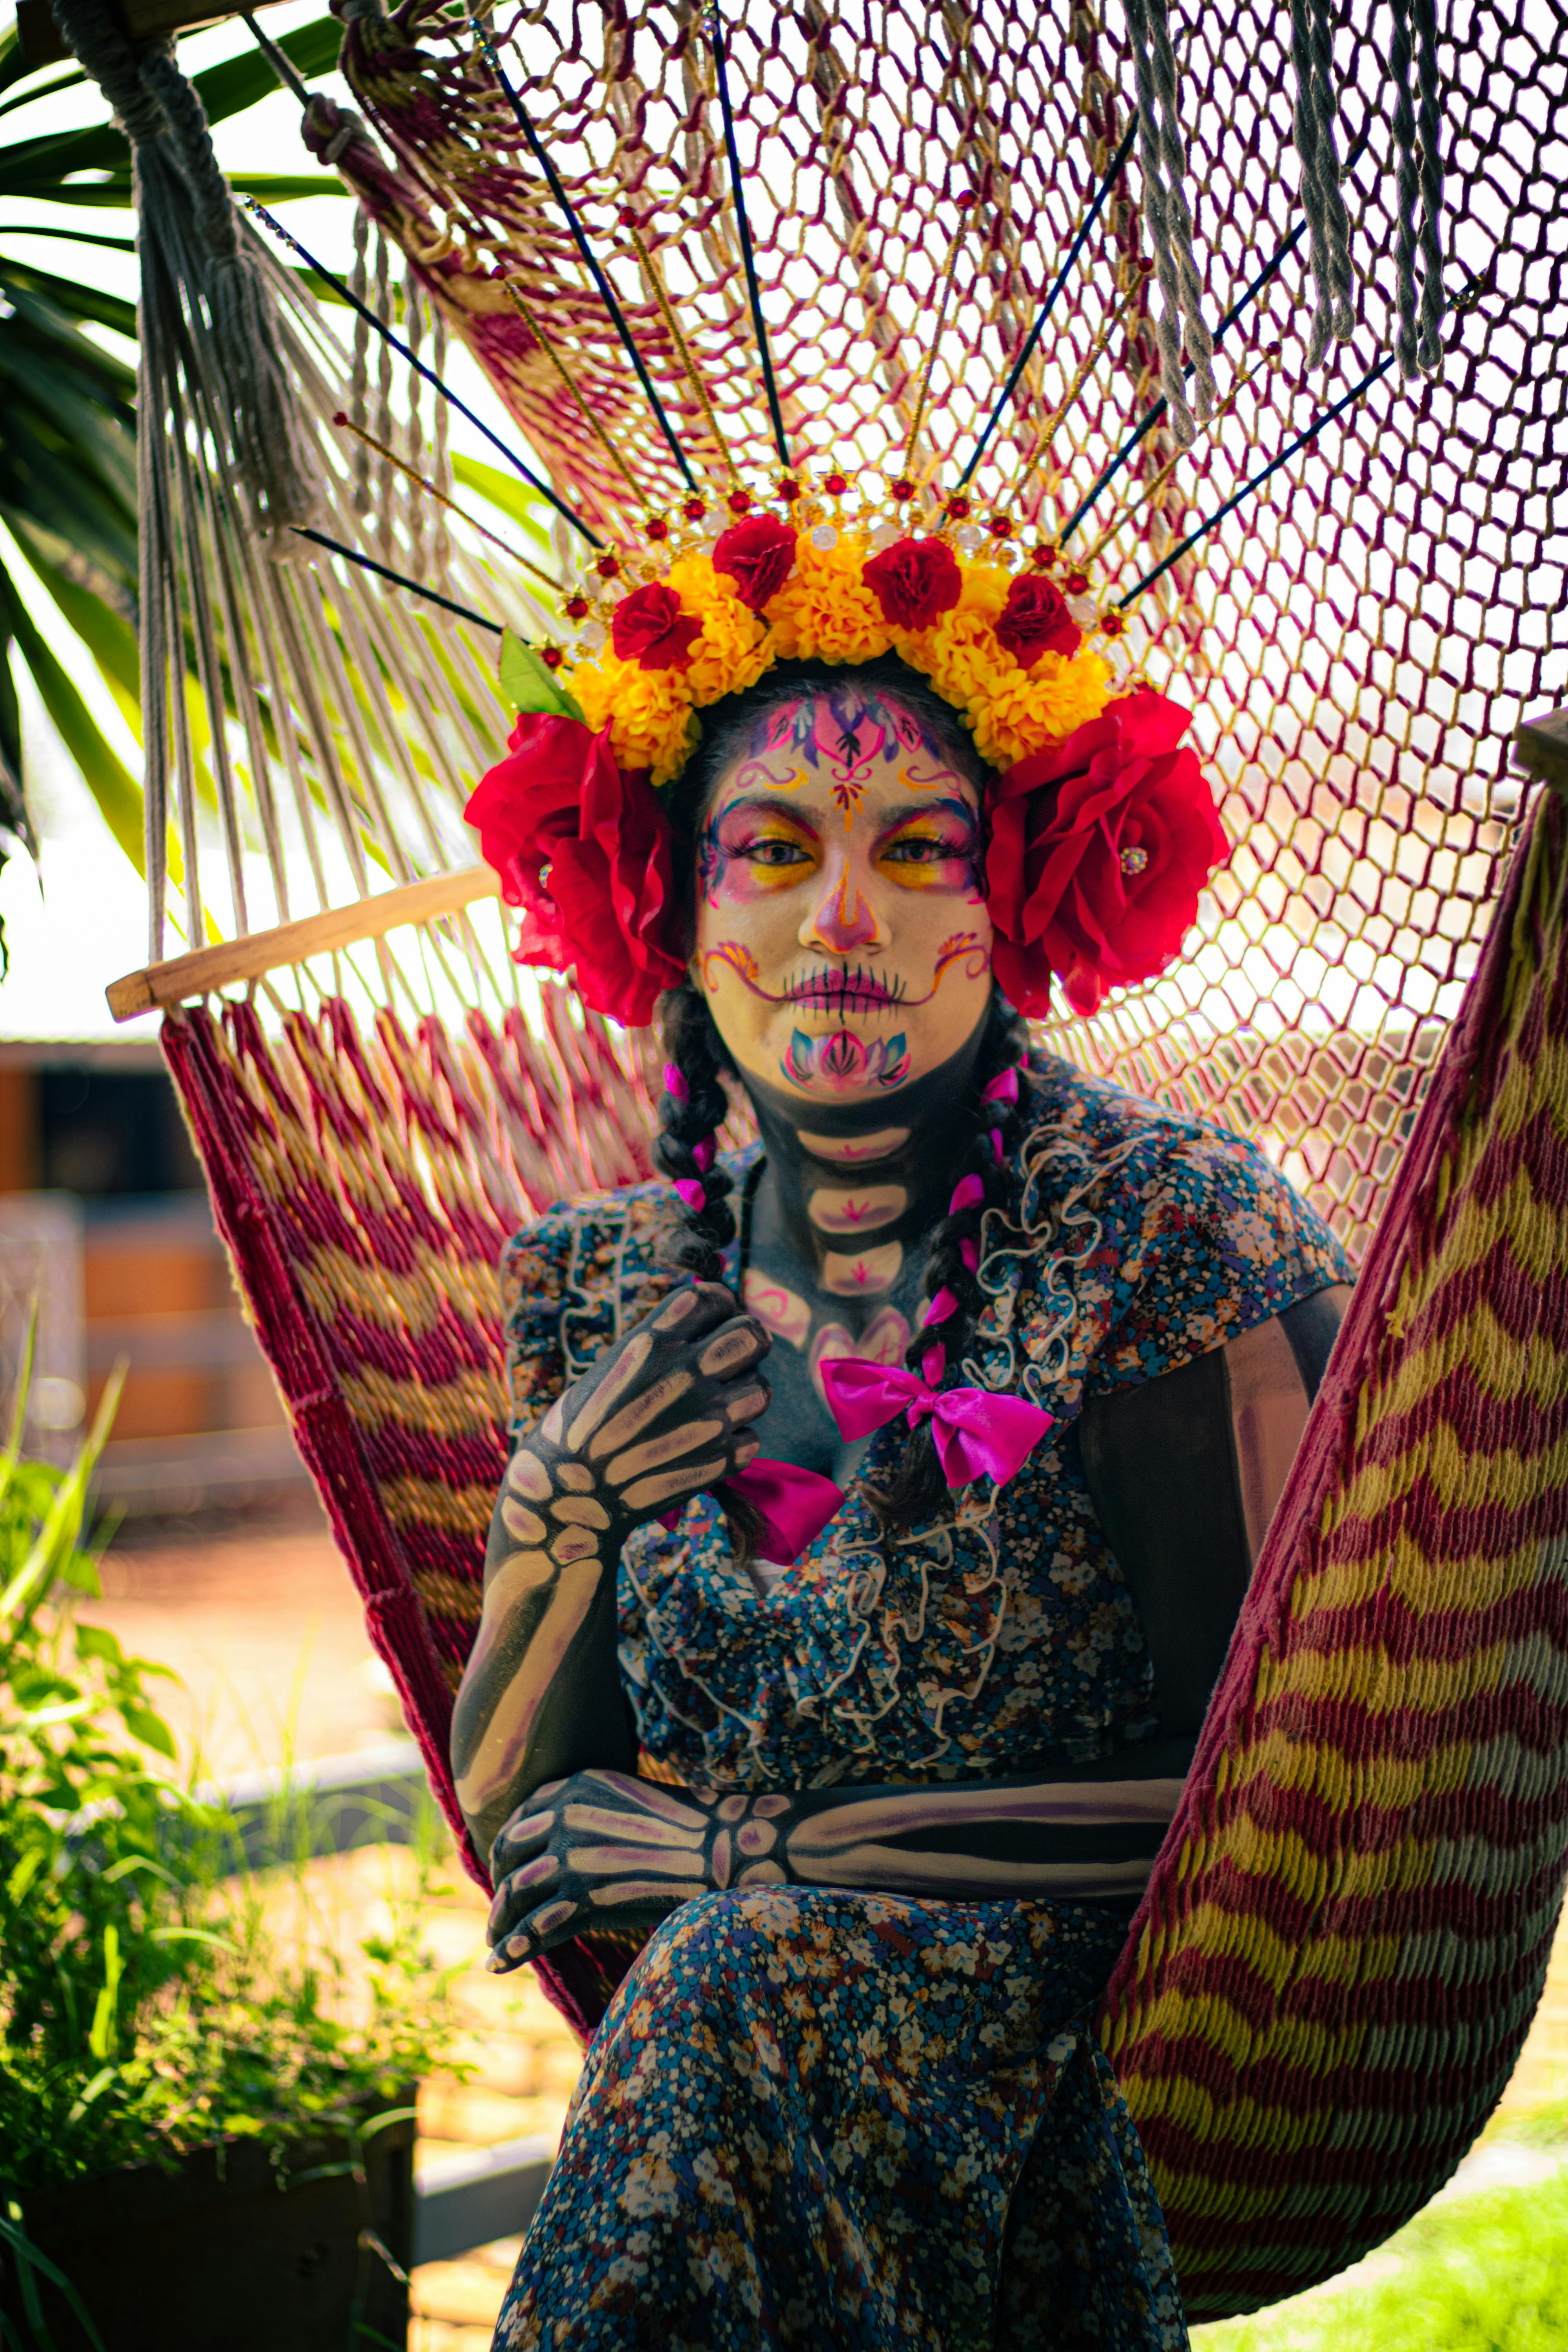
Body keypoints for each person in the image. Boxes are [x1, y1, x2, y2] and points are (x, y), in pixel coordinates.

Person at [454, 536, 1353, 2346]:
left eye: (918, 849)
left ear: (1010, 901)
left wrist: (752, 1859)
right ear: (669, 909)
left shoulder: (1164, 1240)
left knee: (721, 1974)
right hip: (737, 2064)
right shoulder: (602, 1285)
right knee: (721, 1992)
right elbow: (520, 1827)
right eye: (773, 851)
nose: (841, 925)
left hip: (1089, 2050)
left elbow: (1283, 1814)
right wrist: (558, 1509)